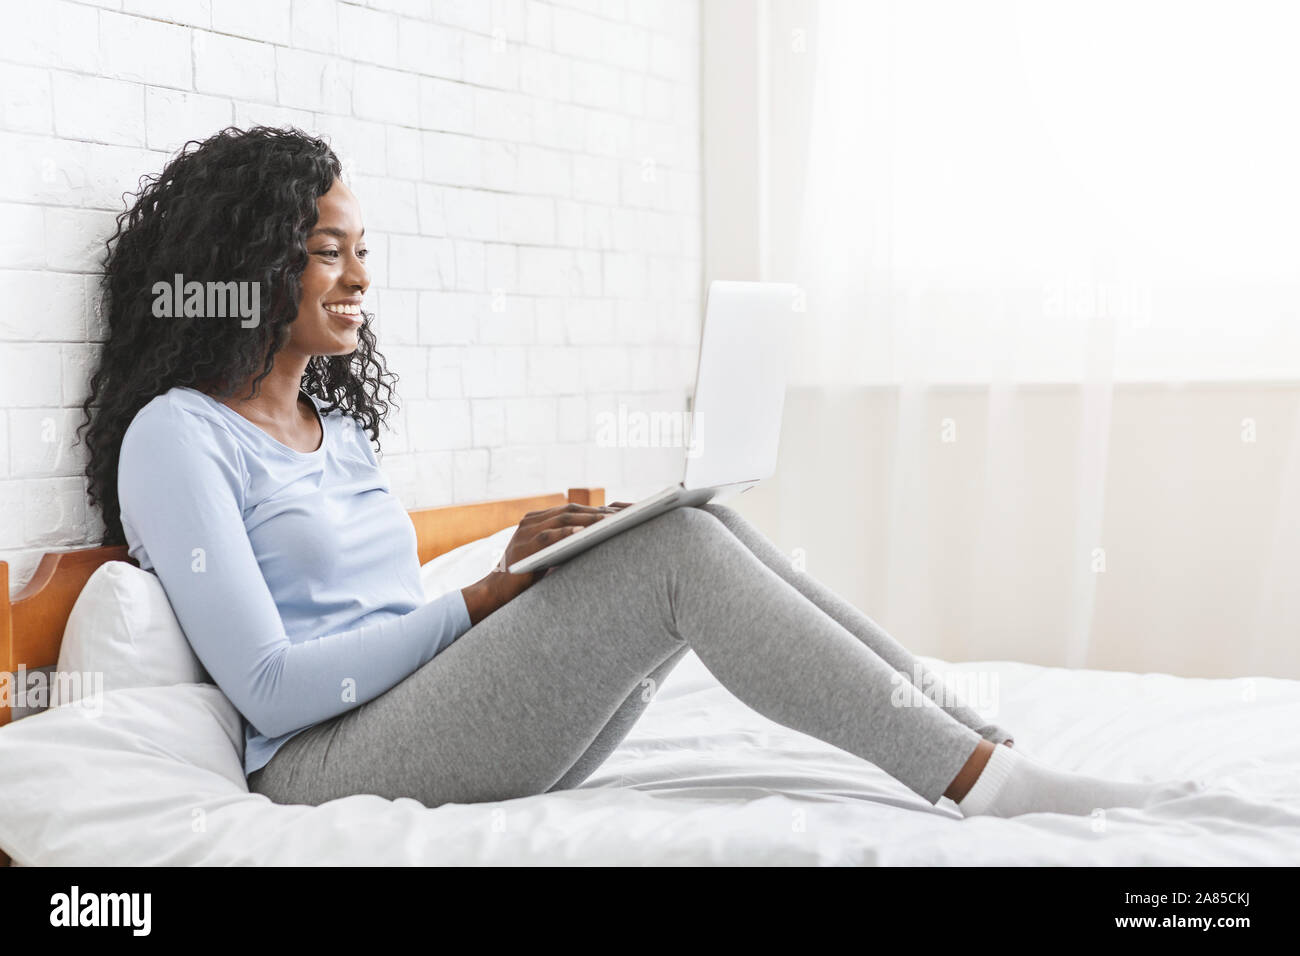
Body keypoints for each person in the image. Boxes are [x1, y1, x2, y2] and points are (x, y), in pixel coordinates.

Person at [78, 126, 1205, 820]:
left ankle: (974, 740)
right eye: (329, 249)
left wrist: (527, 573)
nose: (359, 276)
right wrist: (484, 598)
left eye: (363, 248)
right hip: (324, 763)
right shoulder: (178, 435)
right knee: (667, 555)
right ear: (246, 262)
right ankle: (982, 782)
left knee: (683, 527)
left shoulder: (336, 424)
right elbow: (273, 687)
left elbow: (378, 613)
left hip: (425, 717)